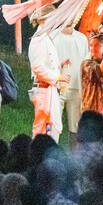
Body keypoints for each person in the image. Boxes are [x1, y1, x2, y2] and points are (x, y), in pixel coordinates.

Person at [26, 7, 66, 139]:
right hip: (44, 90)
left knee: (48, 128)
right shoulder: (39, 39)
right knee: (42, 129)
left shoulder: (45, 37)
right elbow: (38, 67)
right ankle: (39, 156)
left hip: (48, 89)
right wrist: (58, 76)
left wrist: (59, 66)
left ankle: (45, 153)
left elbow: (46, 63)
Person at [51, 18, 91, 135]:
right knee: (52, 124)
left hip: (76, 87)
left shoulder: (81, 38)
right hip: (56, 88)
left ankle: (75, 153)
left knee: (76, 127)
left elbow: (86, 62)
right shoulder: (52, 37)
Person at [81, 25, 103, 120]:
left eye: (97, 45)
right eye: (91, 46)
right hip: (94, 111)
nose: (93, 48)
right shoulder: (87, 64)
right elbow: (101, 72)